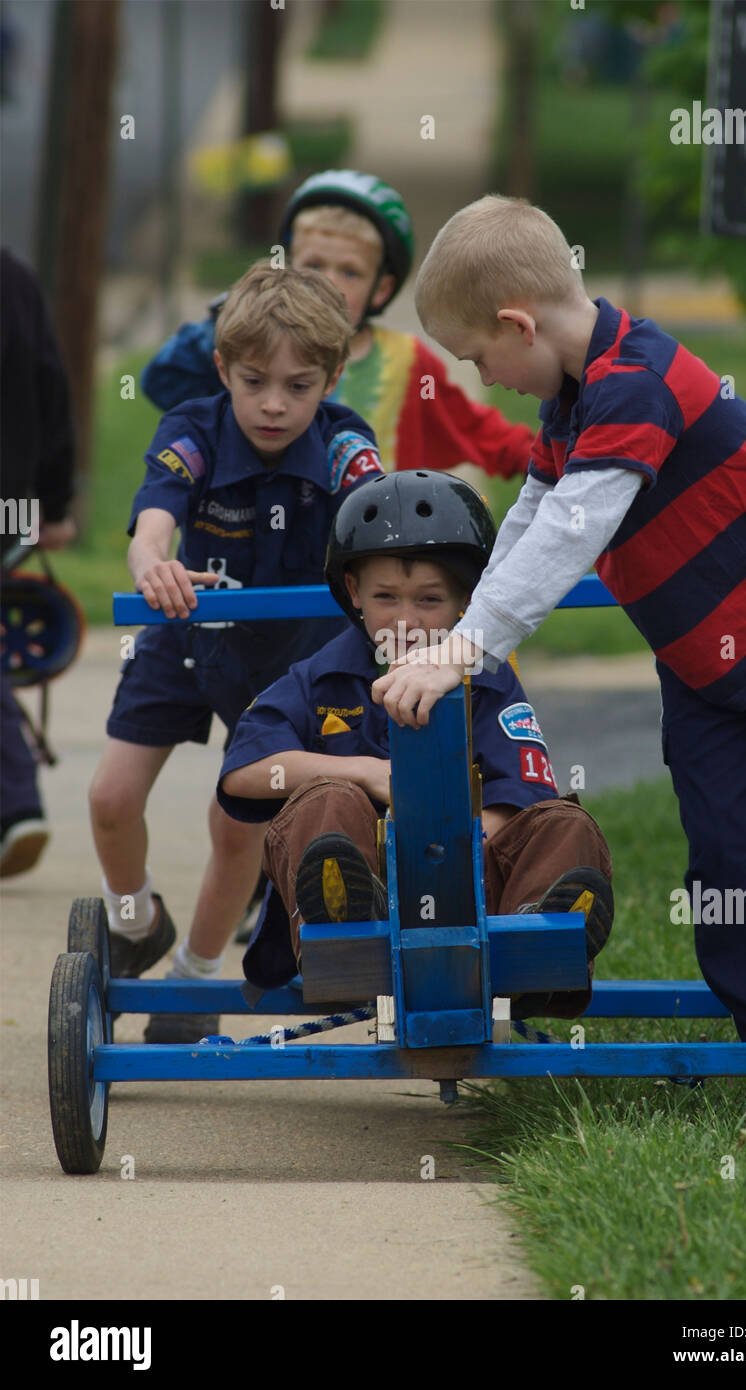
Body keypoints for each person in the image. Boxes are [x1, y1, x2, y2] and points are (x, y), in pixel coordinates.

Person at [373, 194, 746, 1105]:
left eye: (480, 358)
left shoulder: (636, 379)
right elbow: (530, 513)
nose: (483, 381)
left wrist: (466, 649)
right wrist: (455, 633)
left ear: (519, 322)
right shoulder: (571, 400)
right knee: (728, 860)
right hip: (701, 668)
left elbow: (576, 525)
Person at [88, 261, 384, 1043]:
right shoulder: (193, 426)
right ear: (223, 368)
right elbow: (155, 515)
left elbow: (380, 523)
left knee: (236, 825)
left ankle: (195, 976)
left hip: (296, 662)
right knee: (111, 800)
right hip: (190, 633)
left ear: (333, 375)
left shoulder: (348, 443)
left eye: (298, 384)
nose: (275, 403)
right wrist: (153, 563)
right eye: (254, 381)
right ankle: (137, 918)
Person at [217, 469, 614, 1019]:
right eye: (386, 597)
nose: (405, 620)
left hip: (472, 890)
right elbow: (243, 771)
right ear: (353, 592)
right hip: (360, 877)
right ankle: (346, 936)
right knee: (329, 793)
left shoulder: (488, 680)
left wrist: (458, 846)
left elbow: (523, 788)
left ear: (467, 599)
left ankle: (538, 947)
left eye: (429, 599)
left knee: (565, 824)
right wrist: (363, 772)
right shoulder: (318, 678)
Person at [141, 169, 536, 479]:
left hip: (372, 562)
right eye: (312, 265)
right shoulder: (254, 350)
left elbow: (481, 432)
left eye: (349, 271)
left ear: (380, 290)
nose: (326, 282)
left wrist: (548, 459)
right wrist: (227, 320)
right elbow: (163, 381)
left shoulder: (407, 362)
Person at [0, 249, 77, 876]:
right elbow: (53, 390)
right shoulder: (16, 276)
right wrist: (50, 504)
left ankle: (15, 799)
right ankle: (16, 802)